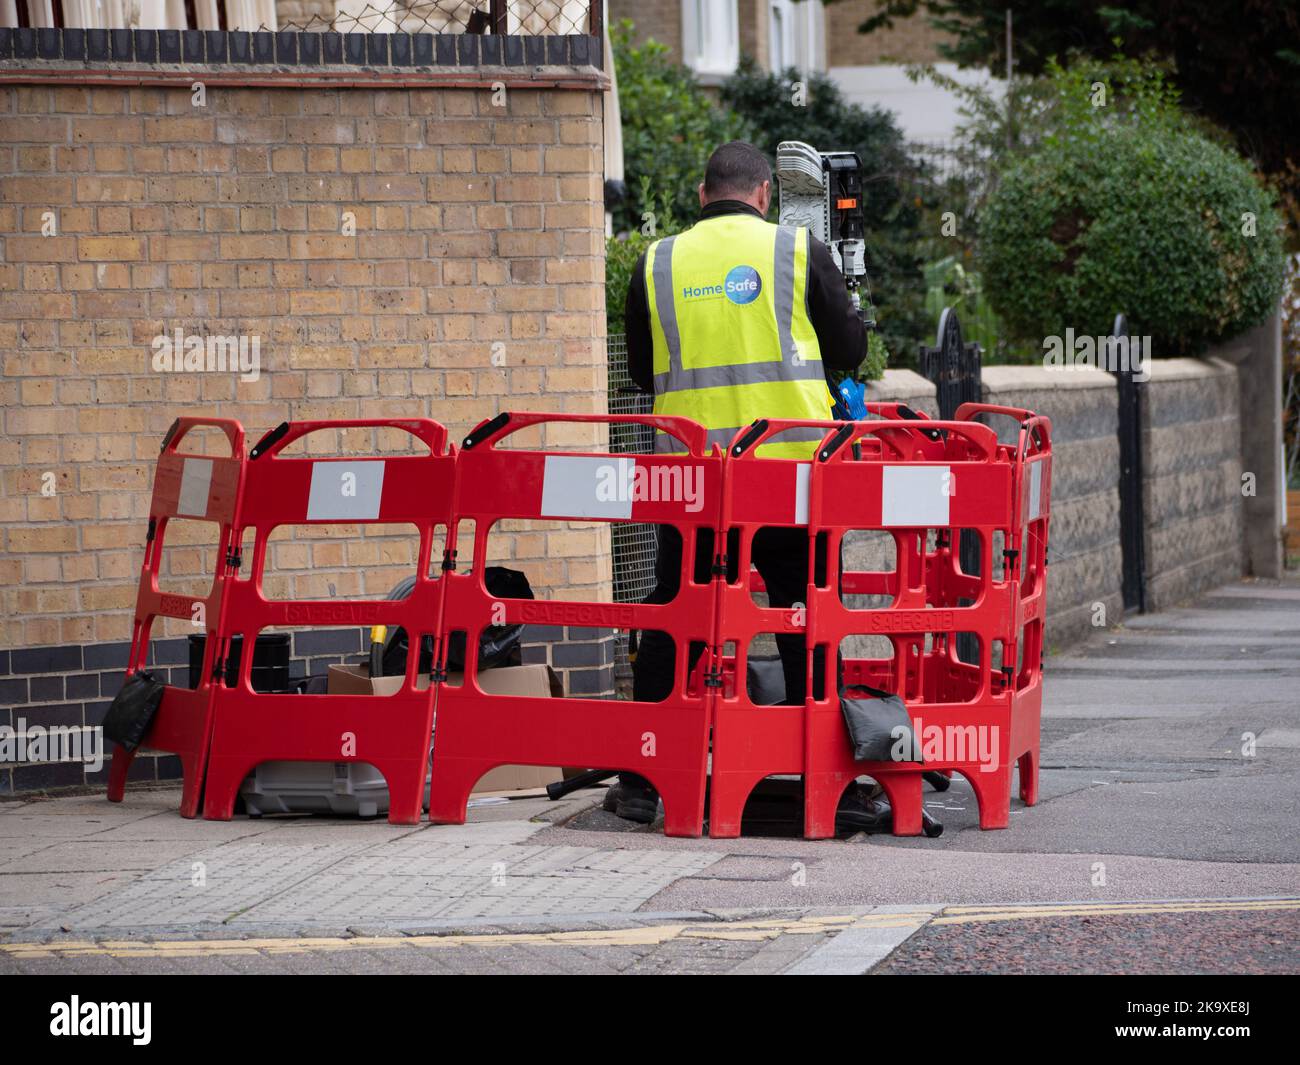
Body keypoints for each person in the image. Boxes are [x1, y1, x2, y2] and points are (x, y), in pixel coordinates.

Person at [608, 140, 890, 832]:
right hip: (787, 475)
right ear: (764, 195)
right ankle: (822, 777)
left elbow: (644, 373)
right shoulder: (795, 252)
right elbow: (849, 352)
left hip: (694, 479)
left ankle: (647, 779)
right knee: (803, 617)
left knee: (676, 618)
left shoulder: (658, 261)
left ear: (704, 194)